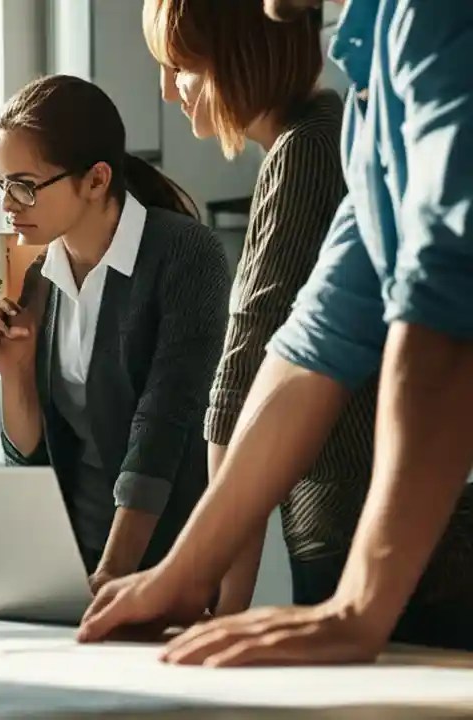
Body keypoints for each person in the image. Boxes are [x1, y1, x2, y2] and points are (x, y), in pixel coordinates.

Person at [79, 0, 473, 663]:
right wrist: (186, 571)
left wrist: (357, 606)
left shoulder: (429, 16)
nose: (168, 88)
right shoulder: (366, 87)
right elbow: (321, 333)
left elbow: (444, 311)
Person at [144, 0, 398, 618]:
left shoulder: (304, 150)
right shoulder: (320, 133)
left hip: (346, 516)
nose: (169, 91)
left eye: (181, 67)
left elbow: (243, 375)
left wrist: (218, 600)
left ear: (237, 55)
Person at [0, 74, 229, 593]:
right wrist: (14, 374)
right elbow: (32, 461)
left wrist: (113, 573)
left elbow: (163, 425)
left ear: (95, 180)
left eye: (24, 185)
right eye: (0, 183)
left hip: (161, 565)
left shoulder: (186, 253)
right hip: (70, 565)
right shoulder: (36, 272)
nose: (8, 204)